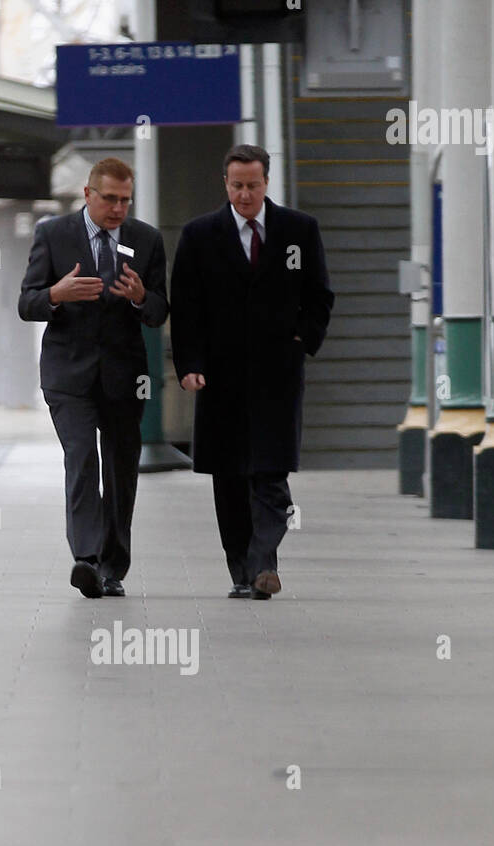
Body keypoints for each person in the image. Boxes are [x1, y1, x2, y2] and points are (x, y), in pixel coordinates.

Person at [170, 143, 334, 598]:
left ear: (267, 183)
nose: (245, 195)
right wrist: (190, 365)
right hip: (220, 377)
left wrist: (302, 336)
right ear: (225, 183)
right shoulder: (199, 235)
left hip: (276, 374)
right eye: (237, 186)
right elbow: (186, 307)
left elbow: (319, 295)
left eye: (253, 185)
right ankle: (243, 572)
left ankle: (264, 564)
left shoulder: (298, 230)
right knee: (229, 477)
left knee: (271, 472)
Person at [18, 157, 169, 597]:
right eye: (110, 199)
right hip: (69, 375)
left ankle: (112, 567)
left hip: (125, 377)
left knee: (122, 470)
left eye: (126, 200)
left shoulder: (146, 240)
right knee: (82, 458)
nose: (118, 208)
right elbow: (26, 303)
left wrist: (142, 297)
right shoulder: (53, 234)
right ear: (88, 194)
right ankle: (86, 558)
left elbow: (160, 310)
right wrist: (55, 294)